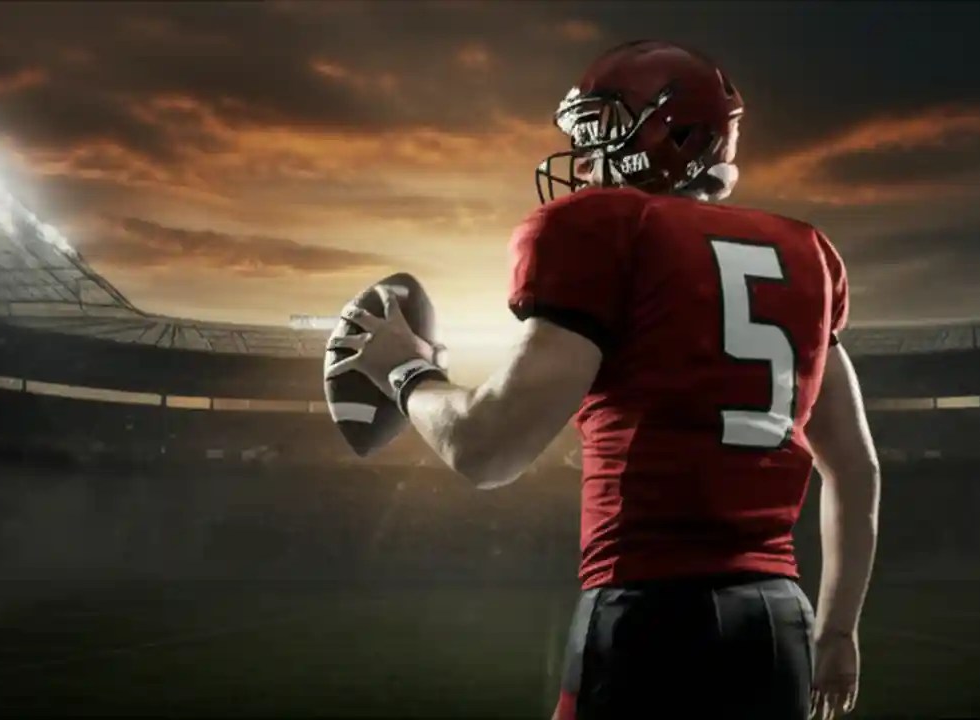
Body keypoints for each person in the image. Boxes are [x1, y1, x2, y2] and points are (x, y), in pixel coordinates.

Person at [327, 39, 880, 720]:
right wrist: (838, 630)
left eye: (602, 135)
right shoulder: (806, 255)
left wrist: (404, 370)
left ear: (676, 134)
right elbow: (854, 468)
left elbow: (486, 446)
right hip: (775, 626)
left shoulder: (611, 230)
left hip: (649, 615)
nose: (585, 163)